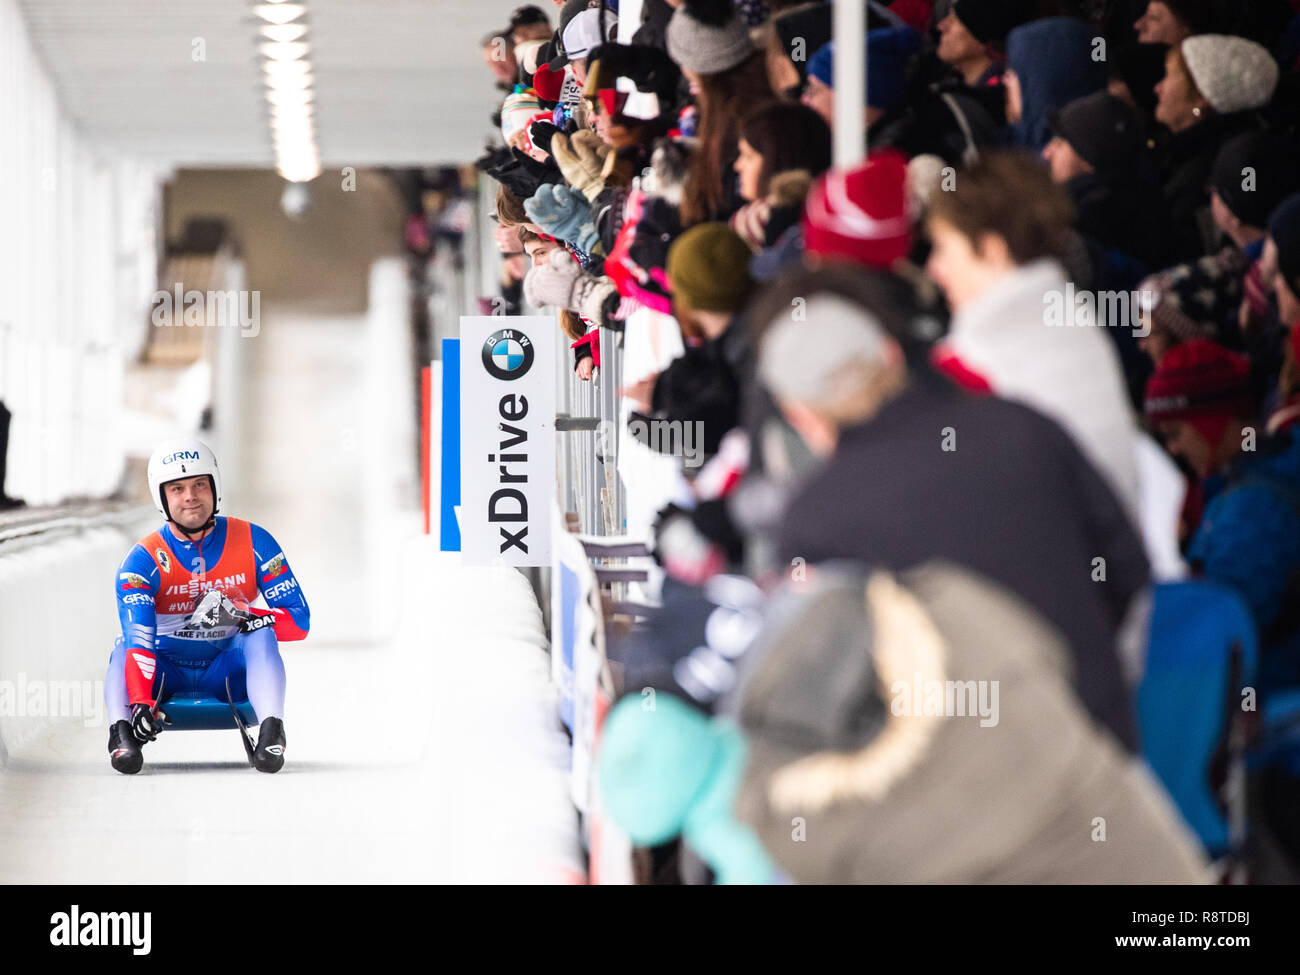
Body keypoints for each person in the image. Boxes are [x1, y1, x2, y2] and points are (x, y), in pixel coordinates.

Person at [754, 266, 1148, 752]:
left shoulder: (813, 524)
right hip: (1101, 754)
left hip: (961, 800)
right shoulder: (1020, 426)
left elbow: (829, 699)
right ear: (891, 356)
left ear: (801, 416)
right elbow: (1127, 569)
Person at [106, 439, 310, 775]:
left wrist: (243, 617)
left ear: (214, 488)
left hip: (226, 670)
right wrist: (141, 701)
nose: (190, 496)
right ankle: (121, 732)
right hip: (165, 672)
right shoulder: (141, 562)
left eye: (200, 484)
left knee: (262, 635)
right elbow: (139, 639)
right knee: (121, 646)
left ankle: (273, 732)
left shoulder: (256, 541)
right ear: (162, 498)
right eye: (177, 488)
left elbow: (299, 622)